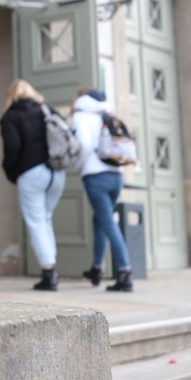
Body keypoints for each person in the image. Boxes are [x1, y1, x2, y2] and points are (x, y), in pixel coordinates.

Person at [0, 79, 66, 291]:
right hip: (57, 172)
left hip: (32, 173)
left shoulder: (11, 116)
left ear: (11, 95)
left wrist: (12, 172)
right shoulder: (47, 110)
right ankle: (52, 267)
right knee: (45, 218)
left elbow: (12, 148)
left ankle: (49, 272)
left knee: (37, 222)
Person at [71, 88, 133, 292]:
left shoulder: (80, 117)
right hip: (116, 177)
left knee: (108, 223)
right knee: (99, 220)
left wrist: (77, 165)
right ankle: (96, 268)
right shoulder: (107, 116)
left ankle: (124, 272)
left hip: (96, 177)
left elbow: (85, 146)